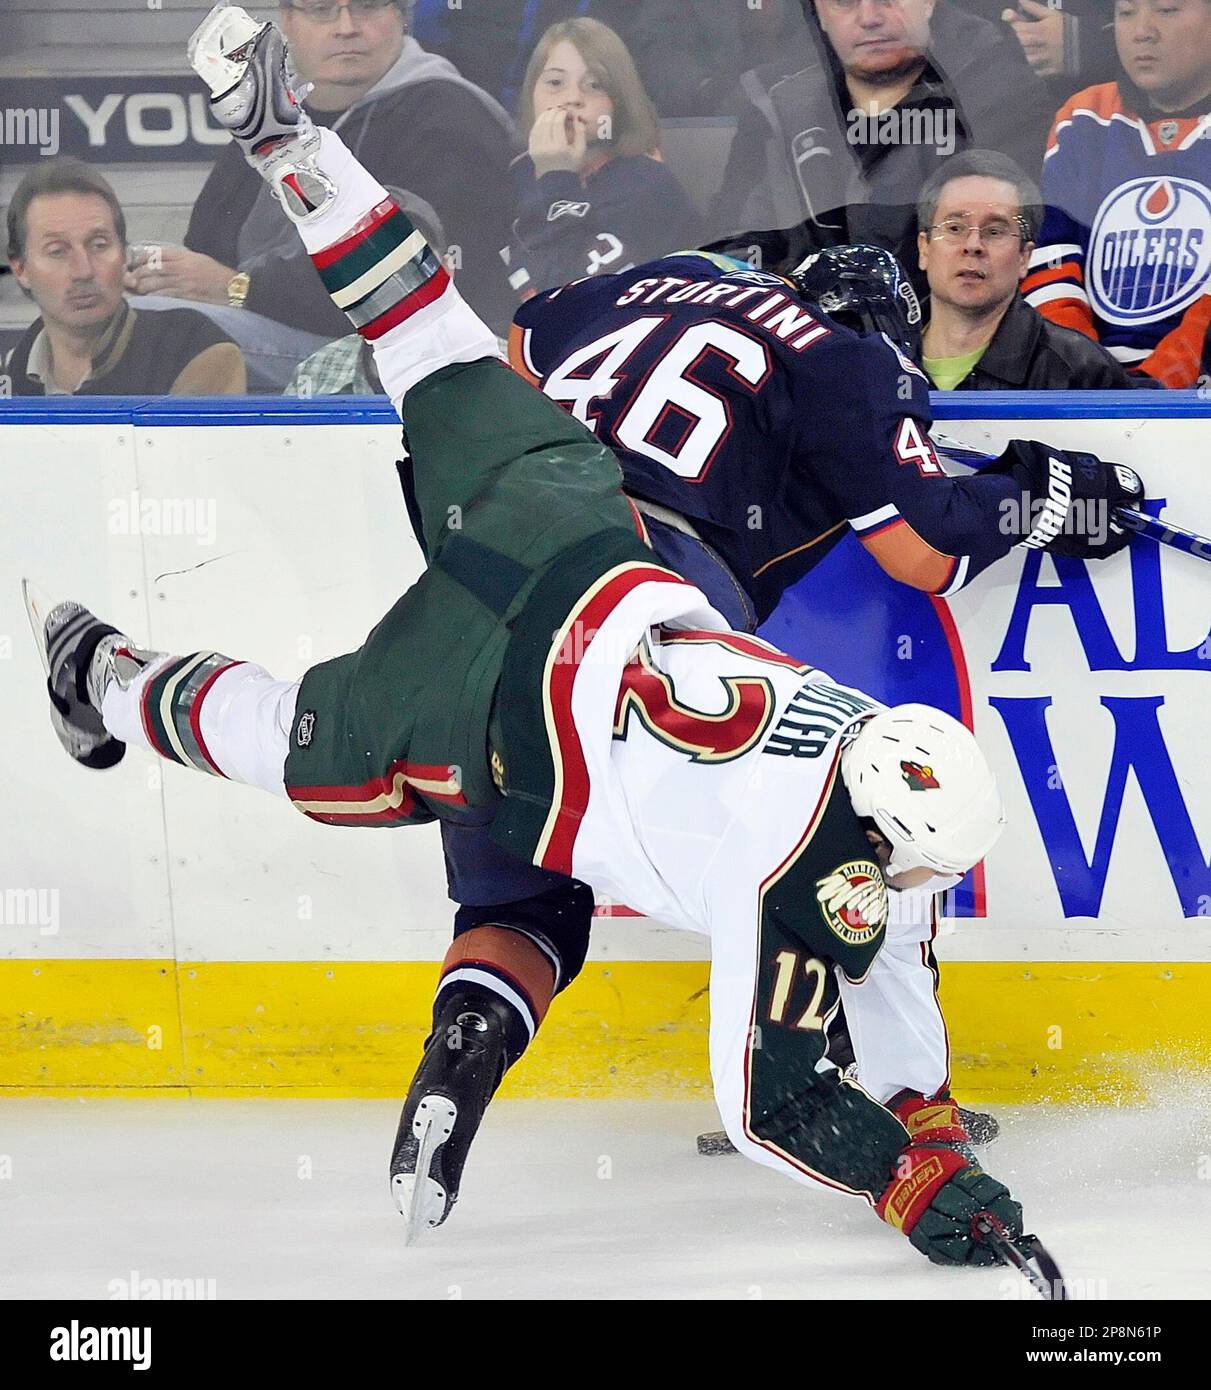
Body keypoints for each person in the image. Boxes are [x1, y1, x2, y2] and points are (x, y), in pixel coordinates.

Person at [36, 6, 1037, 1273]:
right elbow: (927, 542)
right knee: (300, 744)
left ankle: (289, 139)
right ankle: (107, 680)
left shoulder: (642, 284)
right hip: (546, 686)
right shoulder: (846, 374)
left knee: (422, 334)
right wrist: (914, 1164)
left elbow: (499, 348)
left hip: (554, 514)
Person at [126, 0, 517, 337]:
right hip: (269, 326)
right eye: (320, 9)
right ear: (288, 22)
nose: (346, 28)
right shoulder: (273, 111)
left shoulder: (450, 116)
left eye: (367, 6)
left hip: (389, 355)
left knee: (178, 330)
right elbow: (208, 244)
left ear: (400, 17)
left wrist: (238, 289)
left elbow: (410, 284)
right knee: (135, 314)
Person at [710, 0, 1052, 310]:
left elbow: (1008, 250)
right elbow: (731, 248)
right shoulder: (775, 108)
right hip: (801, 348)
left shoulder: (1002, 98)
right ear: (819, 14)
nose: (870, 18)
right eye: (845, 2)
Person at [1021, 0, 1211, 386]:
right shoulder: (1084, 117)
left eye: (1168, 10)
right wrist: (1082, 370)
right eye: (1125, 13)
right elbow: (1050, 260)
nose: (1142, 31)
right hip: (1087, 390)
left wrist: (1160, 385)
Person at [2, 160, 245, 397]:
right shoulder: (15, 372)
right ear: (20, 269)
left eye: (99, 245)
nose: (83, 270)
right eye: (57, 251)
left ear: (123, 255)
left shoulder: (191, 347)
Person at [507, 17, 697, 300]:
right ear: (532, 94)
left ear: (619, 102)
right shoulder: (515, 176)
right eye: (555, 82)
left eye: (594, 85)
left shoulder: (648, 186)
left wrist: (558, 177)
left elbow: (570, 303)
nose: (572, 97)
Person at [915, 149, 1136, 389]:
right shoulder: (879, 360)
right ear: (924, 248)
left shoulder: (1082, 371)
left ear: (1024, 257)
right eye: (955, 228)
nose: (973, 245)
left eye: (994, 231)